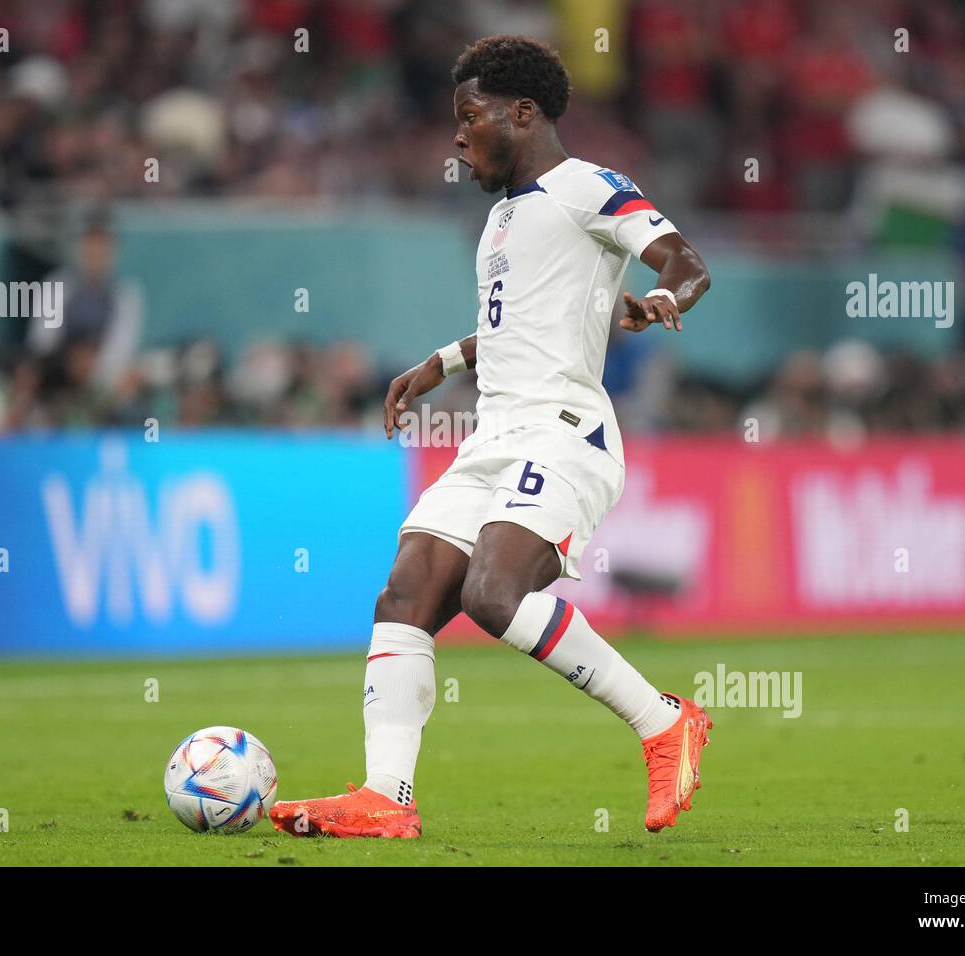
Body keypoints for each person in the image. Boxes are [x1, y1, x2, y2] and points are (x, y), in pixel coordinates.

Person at [271, 35, 712, 839]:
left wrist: (665, 295)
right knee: (404, 594)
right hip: (493, 436)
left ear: (522, 112)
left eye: (469, 116)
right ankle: (385, 798)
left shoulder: (589, 186)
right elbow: (514, 326)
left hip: (564, 433)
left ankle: (662, 721)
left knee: (492, 595)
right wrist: (440, 362)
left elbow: (684, 260)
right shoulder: (505, 218)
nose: (457, 135)